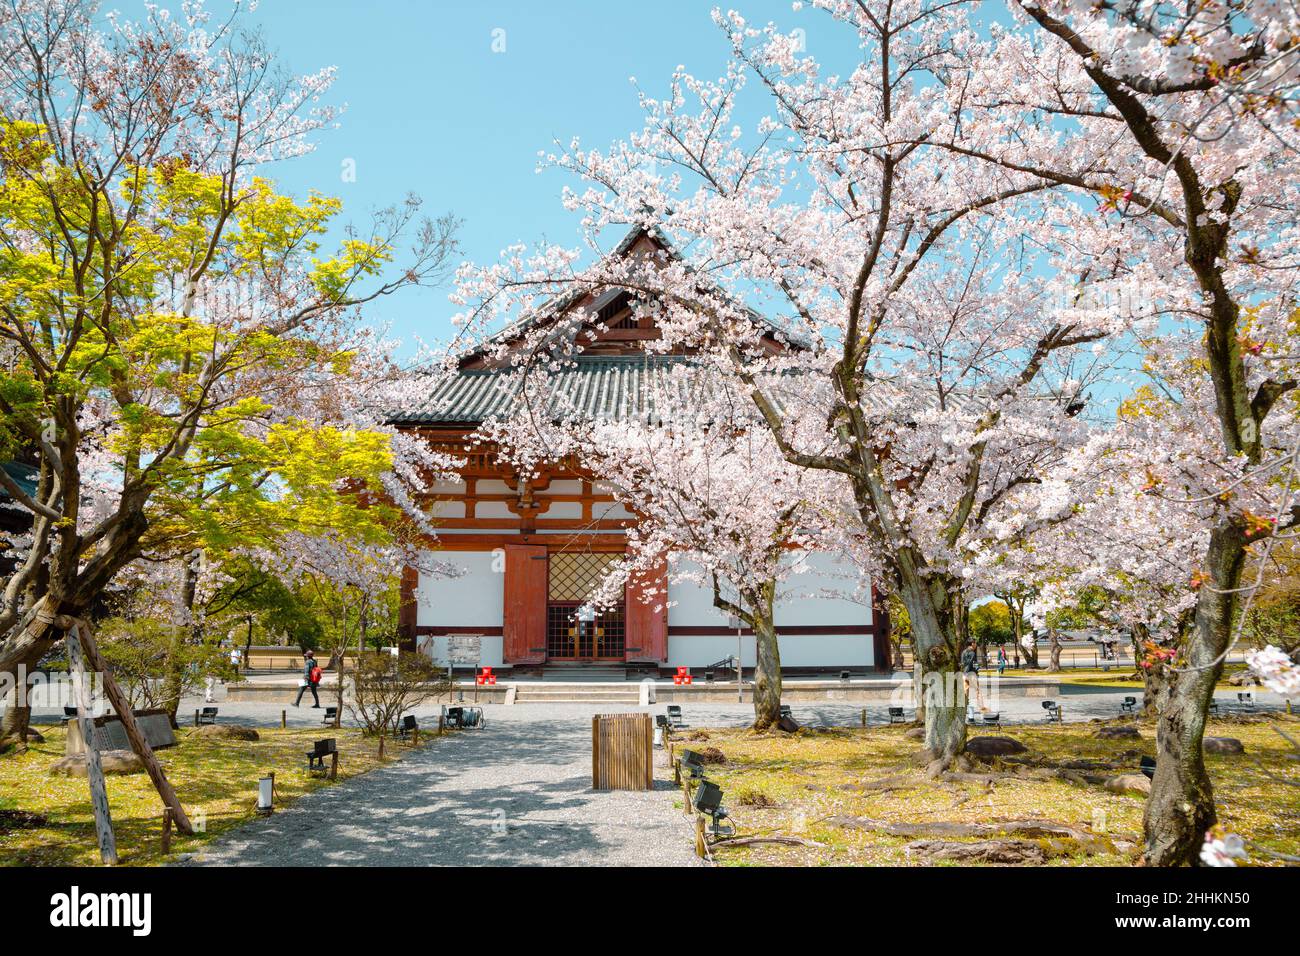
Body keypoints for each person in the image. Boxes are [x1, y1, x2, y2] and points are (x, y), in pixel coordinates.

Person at [960, 640, 987, 712]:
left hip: (964, 673)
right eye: (975, 643)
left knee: (966, 691)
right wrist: (977, 669)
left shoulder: (963, 652)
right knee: (977, 690)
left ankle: (964, 708)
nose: (976, 645)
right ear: (972, 644)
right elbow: (972, 664)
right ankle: (981, 707)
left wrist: (964, 673)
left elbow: (963, 663)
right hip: (971, 674)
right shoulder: (972, 653)